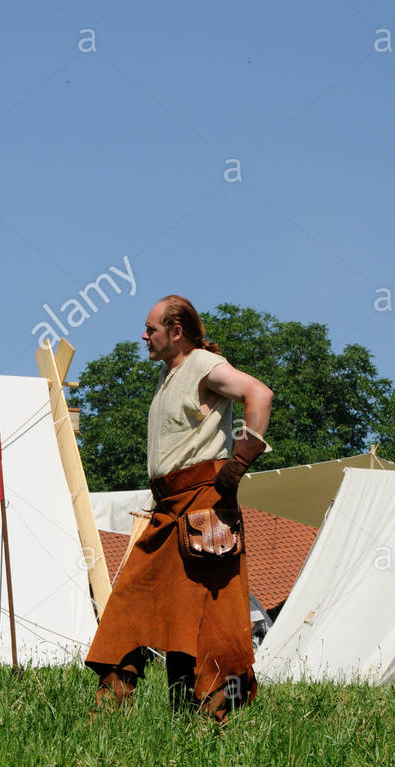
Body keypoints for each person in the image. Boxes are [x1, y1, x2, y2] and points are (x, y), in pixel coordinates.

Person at [86, 295, 273, 720]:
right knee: (133, 602)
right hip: (168, 508)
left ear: (176, 332)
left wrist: (241, 459)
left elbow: (258, 393)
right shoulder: (169, 374)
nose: (143, 335)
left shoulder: (203, 365)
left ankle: (208, 724)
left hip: (205, 505)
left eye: (151, 329)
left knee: (210, 619)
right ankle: (109, 716)